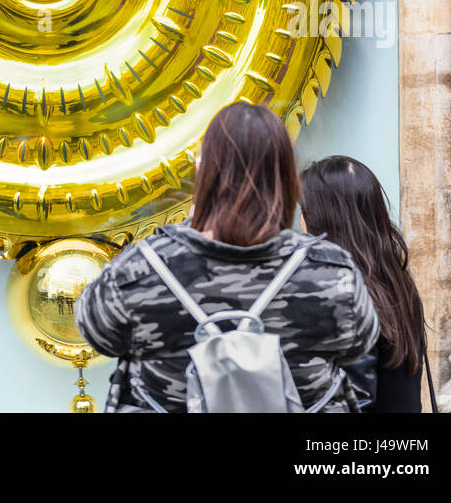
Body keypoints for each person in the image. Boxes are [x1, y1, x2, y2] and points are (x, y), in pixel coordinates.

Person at [75, 102, 379, 412]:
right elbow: (361, 341)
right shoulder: (332, 274)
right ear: (288, 180)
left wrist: (190, 226)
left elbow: (94, 329)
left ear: (202, 172)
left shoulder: (139, 272)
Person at [300, 155, 427, 413]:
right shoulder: (396, 283)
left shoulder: (343, 295)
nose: (301, 223)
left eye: (303, 212)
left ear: (322, 220)